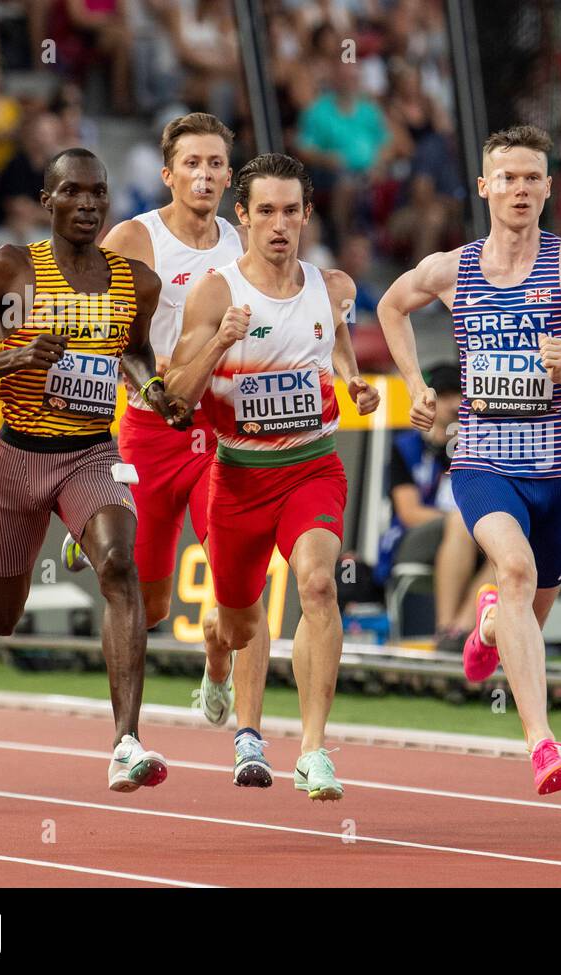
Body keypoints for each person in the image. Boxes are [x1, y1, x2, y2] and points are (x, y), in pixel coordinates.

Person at [377, 124, 561, 795]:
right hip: (482, 458)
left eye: (532, 177)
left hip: (560, 472)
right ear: (484, 187)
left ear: (549, 187)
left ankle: (491, 624)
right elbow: (390, 304)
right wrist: (415, 383)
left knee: (529, 604)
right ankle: (541, 742)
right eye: (507, 177)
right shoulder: (453, 268)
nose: (520, 189)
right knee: (516, 567)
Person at [0, 147, 190, 791]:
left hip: (90, 453)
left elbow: (134, 358)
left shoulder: (136, 282)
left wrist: (154, 392)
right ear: (47, 201)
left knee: (118, 565)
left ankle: (126, 742)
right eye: (72, 192)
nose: (87, 204)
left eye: (98, 193)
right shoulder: (9, 270)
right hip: (18, 460)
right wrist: (13, 360)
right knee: (2, 620)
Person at [57, 112, 275, 788]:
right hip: (152, 430)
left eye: (216, 164)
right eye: (193, 164)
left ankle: (250, 738)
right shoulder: (136, 239)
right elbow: (112, 339)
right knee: (145, 606)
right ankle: (88, 529)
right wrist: (153, 388)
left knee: (245, 595)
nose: (206, 175)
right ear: (168, 174)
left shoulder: (245, 243)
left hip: (226, 431)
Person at [165, 151, 380, 801]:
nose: (279, 224)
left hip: (311, 467)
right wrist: (217, 344)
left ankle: (312, 749)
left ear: (308, 215)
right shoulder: (217, 292)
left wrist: (355, 385)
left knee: (318, 585)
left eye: (291, 211)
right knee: (239, 624)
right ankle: (214, 653)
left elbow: (339, 350)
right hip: (238, 479)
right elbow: (174, 394)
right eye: (266, 211)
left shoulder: (333, 287)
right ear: (244, 216)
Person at [376, 361, 493, 649]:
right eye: (446, 396)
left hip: (470, 537)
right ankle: (445, 628)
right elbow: (409, 512)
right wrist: (460, 520)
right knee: (460, 520)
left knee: (509, 548)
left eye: (460, 397)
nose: (454, 405)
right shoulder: (406, 447)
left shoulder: (476, 445)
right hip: (414, 539)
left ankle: (461, 632)